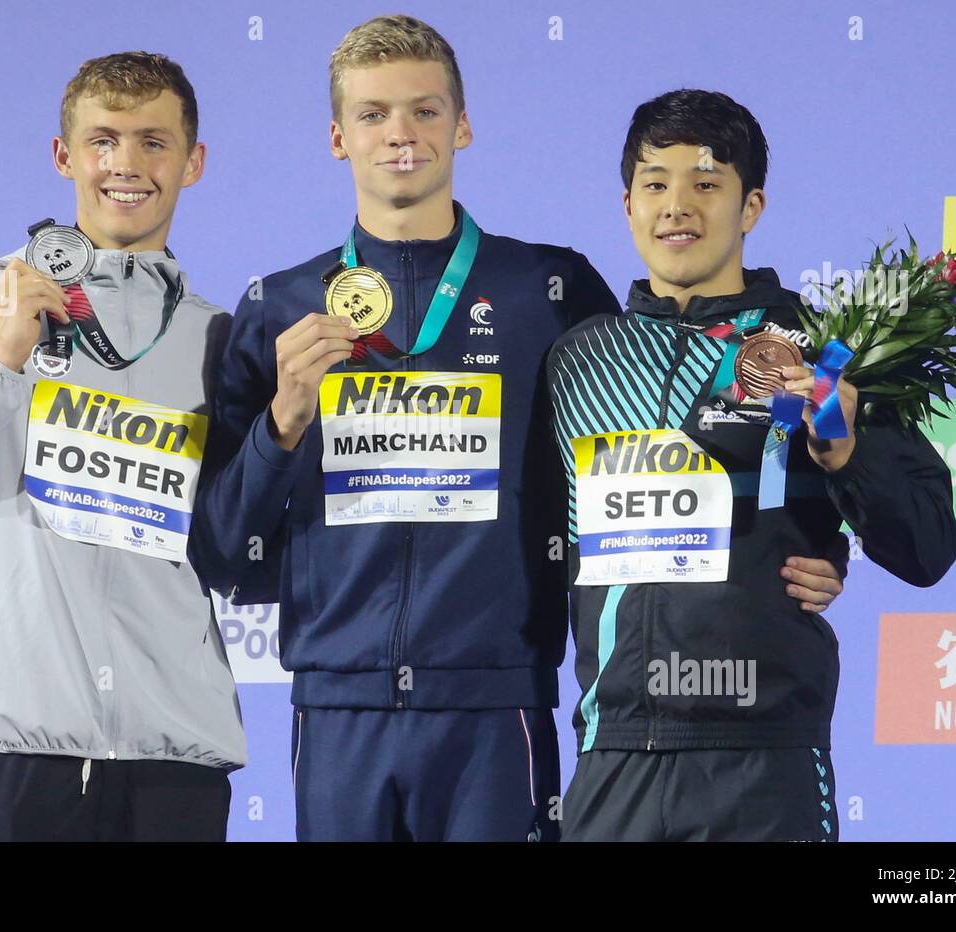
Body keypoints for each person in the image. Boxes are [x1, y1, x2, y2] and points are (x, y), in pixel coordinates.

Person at [192, 17, 847, 842]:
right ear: (337, 137)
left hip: (501, 703)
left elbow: (673, 439)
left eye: (425, 111)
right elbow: (218, 551)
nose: (401, 134)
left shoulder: (552, 286)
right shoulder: (278, 308)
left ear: (461, 125)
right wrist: (282, 424)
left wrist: (819, 542)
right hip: (339, 707)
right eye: (373, 115)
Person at [547, 89, 956, 842]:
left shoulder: (825, 349)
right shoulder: (580, 360)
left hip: (765, 759)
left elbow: (928, 545)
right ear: (628, 204)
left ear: (751, 206)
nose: (678, 205)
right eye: (655, 183)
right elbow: (539, 547)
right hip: (612, 762)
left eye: (706, 184)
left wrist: (843, 451)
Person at [0, 51, 243, 841]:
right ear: (64, 157)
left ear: (193, 162)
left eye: (153, 142)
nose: (126, 165)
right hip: (7, 752)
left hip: (176, 755)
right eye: (102, 141)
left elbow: (233, 546)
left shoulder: (214, 334)